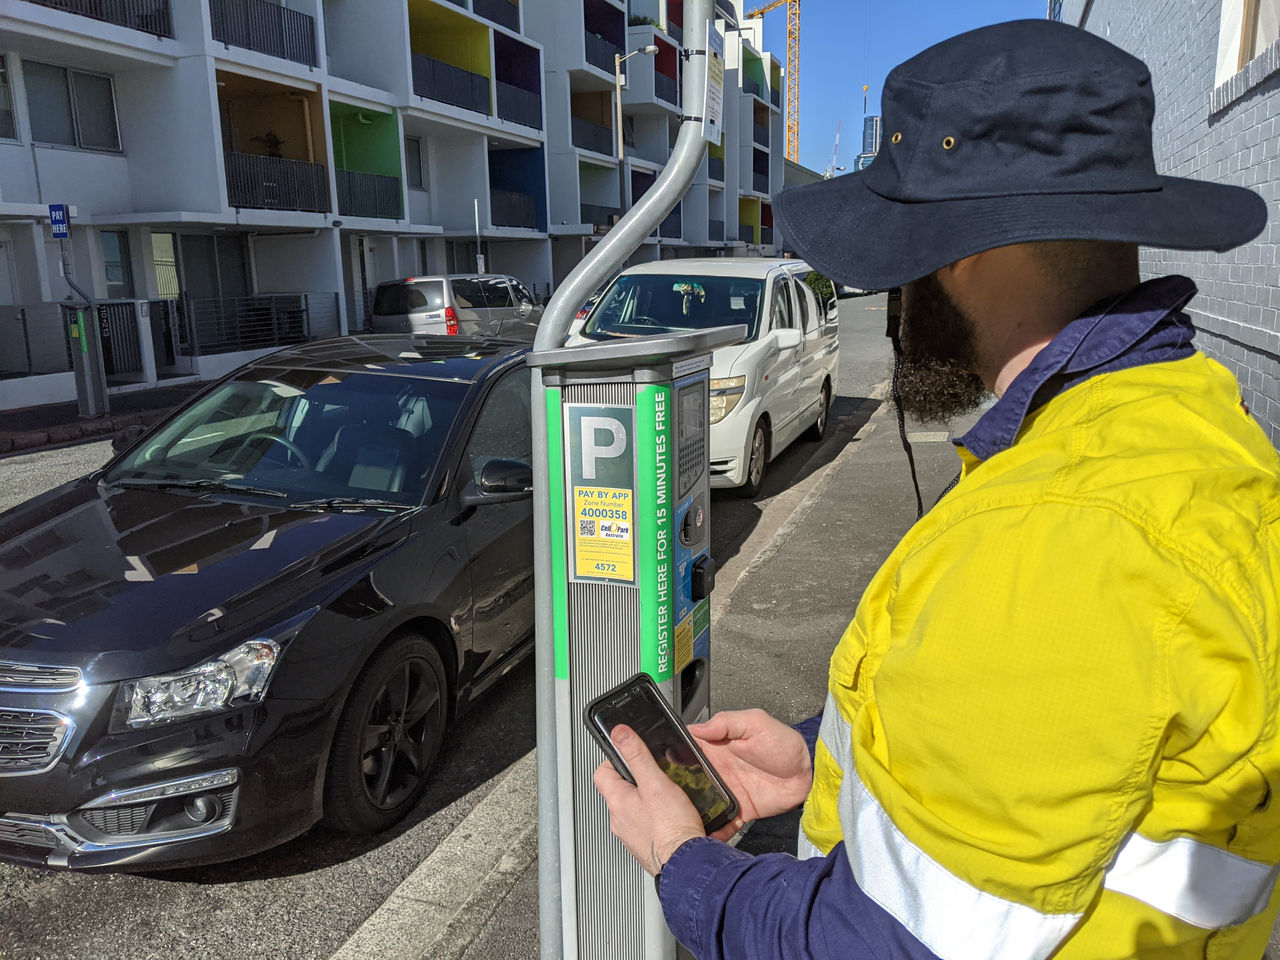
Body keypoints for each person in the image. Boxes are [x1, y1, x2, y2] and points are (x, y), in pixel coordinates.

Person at [594, 18, 1280, 959]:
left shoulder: (1061, 537)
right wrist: (814, 752)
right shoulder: (1189, 418)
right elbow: (1059, 761)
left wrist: (688, 867)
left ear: (956, 255)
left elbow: (880, 945)